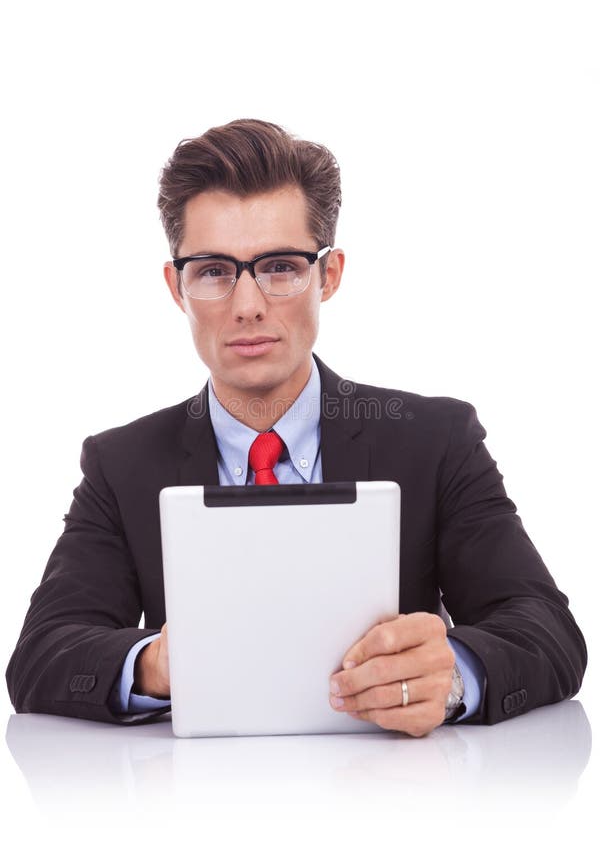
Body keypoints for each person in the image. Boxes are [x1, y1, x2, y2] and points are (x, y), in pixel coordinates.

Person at [6, 119, 586, 736]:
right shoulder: (122, 465)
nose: (248, 304)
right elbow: (41, 656)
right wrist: (154, 665)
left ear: (328, 275)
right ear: (178, 287)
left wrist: (456, 675)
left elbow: (545, 627)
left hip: (401, 804)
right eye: (212, 270)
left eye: (281, 267)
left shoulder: (436, 440)